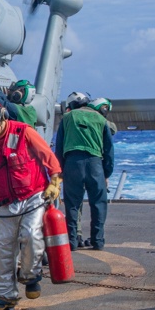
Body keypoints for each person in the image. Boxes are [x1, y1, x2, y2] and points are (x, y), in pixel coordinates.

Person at [0, 98, 62, 310]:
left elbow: (48, 156)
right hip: (3, 204)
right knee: (1, 249)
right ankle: (2, 296)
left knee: (30, 235)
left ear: (1, 117)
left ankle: (31, 276)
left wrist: (55, 181)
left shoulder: (23, 132)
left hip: (33, 196)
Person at [54, 91, 114, 250]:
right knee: (98, 204)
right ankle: (98, 241)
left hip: (73, 164)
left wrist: (60, 169)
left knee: (72, 204)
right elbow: (109, 150)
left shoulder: (67, 118)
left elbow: (59, 146)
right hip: (96, 165)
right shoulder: (101, 119)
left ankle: (72, 242)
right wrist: (106, 173)